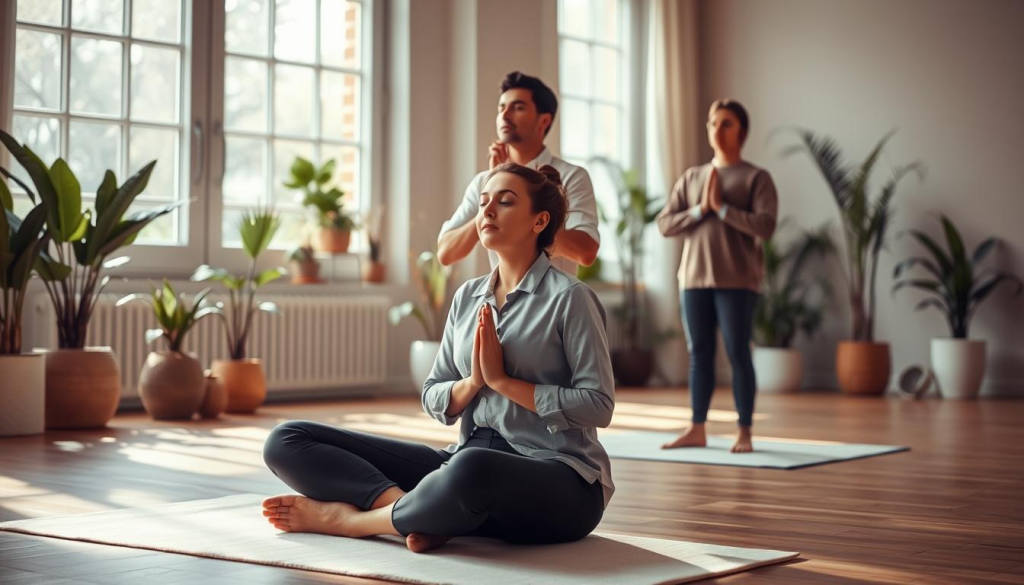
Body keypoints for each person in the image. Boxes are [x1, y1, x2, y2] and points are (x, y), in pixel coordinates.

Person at [262, 163, 615, 553]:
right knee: (288, 438)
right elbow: (433, 392)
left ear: (539, 221)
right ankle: (418, 512)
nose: (487, 212)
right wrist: (472, 384)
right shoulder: (467, 297)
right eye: (483, 203)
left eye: (505, 201)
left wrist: (503, 383)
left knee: (472, 471)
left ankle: (356, 522)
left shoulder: (571, 298)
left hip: (562, 480)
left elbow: (598, 406)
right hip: (463, 462)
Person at [656, 99, 778, 453]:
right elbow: (665, 223)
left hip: (737, 281)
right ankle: (697, 428)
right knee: (699, 354)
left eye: (725, 123)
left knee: (738, 352)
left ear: (741, 130)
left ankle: (745, 431)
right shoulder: (693, 178)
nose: (716, 129)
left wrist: (722, 209)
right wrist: (700, 209)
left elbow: (766, 226)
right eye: (712, 123)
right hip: (693, 280)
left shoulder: (756, 177)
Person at [437, 71, 599, 273]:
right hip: (503, 302)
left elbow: (586, 251)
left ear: (544, 122)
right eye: (501, 108)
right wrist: (494, 193)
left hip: (555, 302)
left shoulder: (571, 176)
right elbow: (446, 253)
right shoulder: (482, 183)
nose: (504, 115)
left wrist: (522, 215)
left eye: (518, 107)